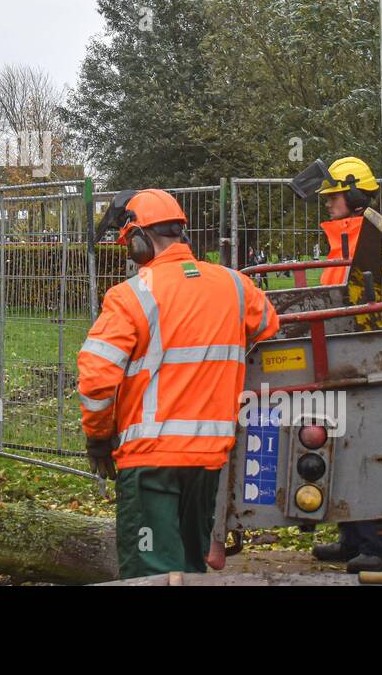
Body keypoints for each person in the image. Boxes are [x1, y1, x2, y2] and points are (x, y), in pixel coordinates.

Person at [77, 189, 279, 580]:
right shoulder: (235, 286)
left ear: (138, 241)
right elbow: (269, 325)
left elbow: (96, 379)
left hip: (149, 459)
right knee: (190, 567)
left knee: (150, 571)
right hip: (207, 460)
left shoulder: (129, 297)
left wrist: (98, 438)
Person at [289, 156, 382, 573]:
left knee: (370, 446)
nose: (328, 204)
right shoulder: (346, 236)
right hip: (345, 348)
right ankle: (352, 537)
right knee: (343, 442)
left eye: (333, 197)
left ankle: (380, 546)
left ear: (353, 195)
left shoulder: (379, 235)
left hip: (369, 354)